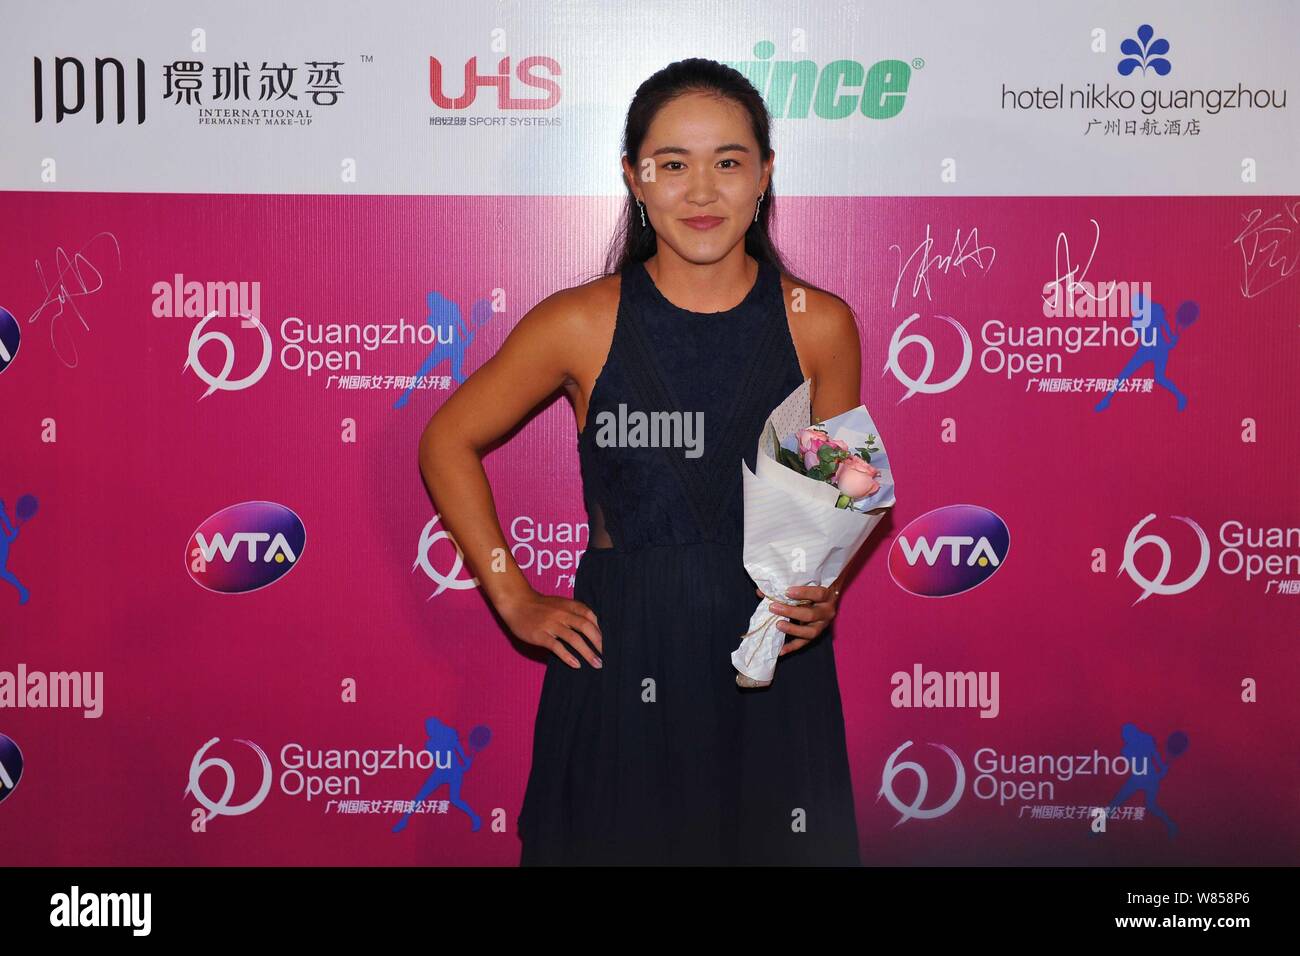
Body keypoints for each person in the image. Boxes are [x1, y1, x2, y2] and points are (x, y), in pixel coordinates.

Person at [418, 58, 864, 865]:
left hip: (768, 651)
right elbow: (446, 440)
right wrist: (512, 596)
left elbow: (836, 495)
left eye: (729, 162)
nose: (701, 192)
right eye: (672, 165)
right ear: (634, 178)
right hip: (626, 649)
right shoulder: (578, 322)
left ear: (764, 174)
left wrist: (822, 591)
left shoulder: (820, 324)